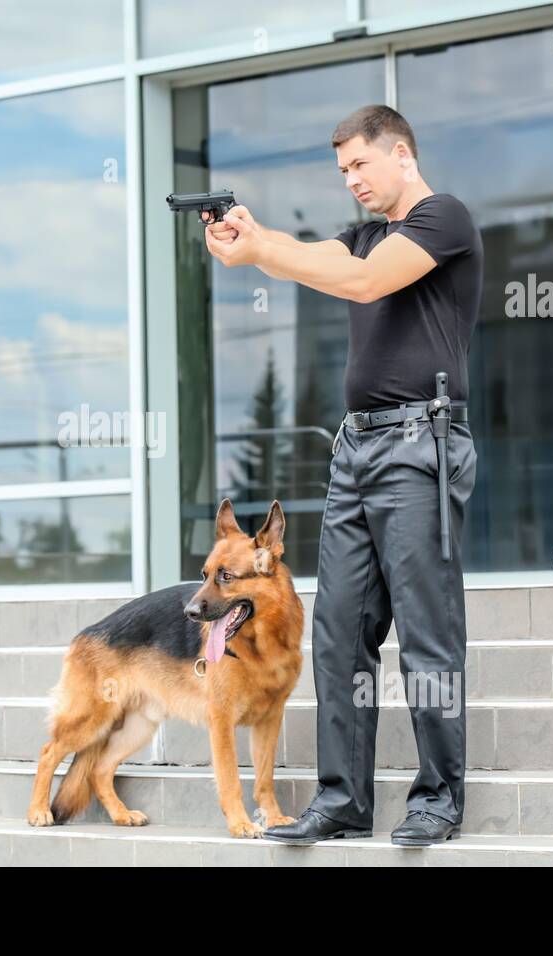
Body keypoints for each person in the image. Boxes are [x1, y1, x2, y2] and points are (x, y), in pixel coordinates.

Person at [203, 104, 483, 847]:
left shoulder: (443, 220)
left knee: (426, 632)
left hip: (421, 444)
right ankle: (343, 801)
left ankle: (436, 798)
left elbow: (364, 284)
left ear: (402, 154)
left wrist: (265, 249)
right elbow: (331, 261)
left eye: (360, 164)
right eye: (342, 171)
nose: (351, 180)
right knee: (335, 632)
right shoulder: (360, 237)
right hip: (355, 453)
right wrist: (258, 244)